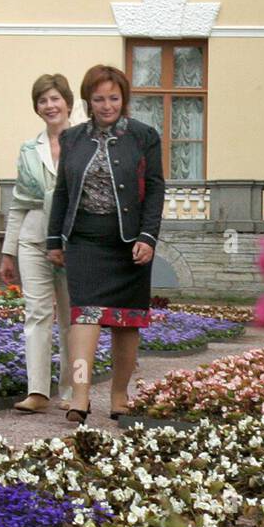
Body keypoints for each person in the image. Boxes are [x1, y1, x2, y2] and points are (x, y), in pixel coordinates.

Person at [46, 64, 165, 424]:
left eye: (113, 98)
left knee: (127, 322)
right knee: (83, 318)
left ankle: (119, 394)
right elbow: (62, 192)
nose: (107, 105)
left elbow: (155, 189)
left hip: (129, 244)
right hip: (84, 241)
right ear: (88, 101)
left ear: (123, 99)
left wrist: (148, 236)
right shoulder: (72, 138)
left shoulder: (144, 136)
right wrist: (54, 239)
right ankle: (80, 395)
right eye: (99, 99)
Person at [0, 74, 74, 413]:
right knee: (37, 314)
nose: (49, 105)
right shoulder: (29, 150)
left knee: (73, 318)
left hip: (74, 242)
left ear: (67, 102)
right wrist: (8, 252)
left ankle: (72, 390)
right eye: (43, 100)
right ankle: (38, 392)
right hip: (33, 239)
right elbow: (18, 204)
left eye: (55, 98)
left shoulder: (84, 143)